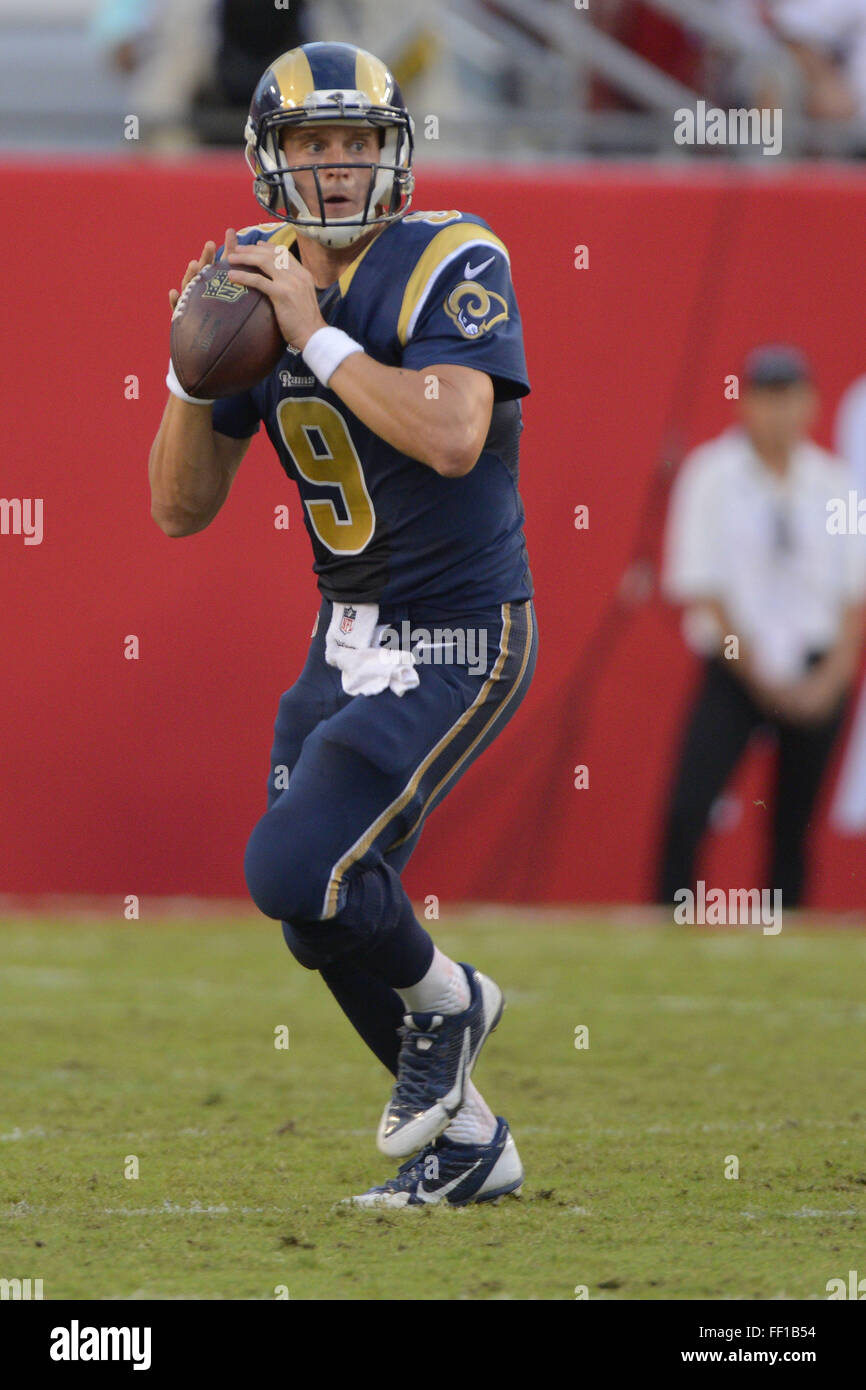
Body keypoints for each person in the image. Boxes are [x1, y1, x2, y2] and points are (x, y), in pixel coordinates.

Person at [148, 42, 537, 1207]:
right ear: (271, 161)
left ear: (394, 152)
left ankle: (450, 1000)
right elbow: (178, 509)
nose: (336, 164)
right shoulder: (253, 281)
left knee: (297, 865)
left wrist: (317, 333)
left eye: (356, 141)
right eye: (313, 144)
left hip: (460, 630)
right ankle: (468, 1144)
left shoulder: (448, 257)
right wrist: (188, 366)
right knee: (317, 914)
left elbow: (454, 433)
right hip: (345, 635)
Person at [658, 346, 866, 909]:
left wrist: (831, 681)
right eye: (767, 398)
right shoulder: (711, 475)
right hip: (735, 667)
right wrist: (761, 677)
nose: (779, 412)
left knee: (792, 828)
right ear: (745, 404)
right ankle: (670, 927)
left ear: (812, 405)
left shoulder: (836, 483)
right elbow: (702, 586)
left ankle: (784, 934)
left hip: (816, 667)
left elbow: (854, 597)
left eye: (790, 397)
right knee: (688, 807)